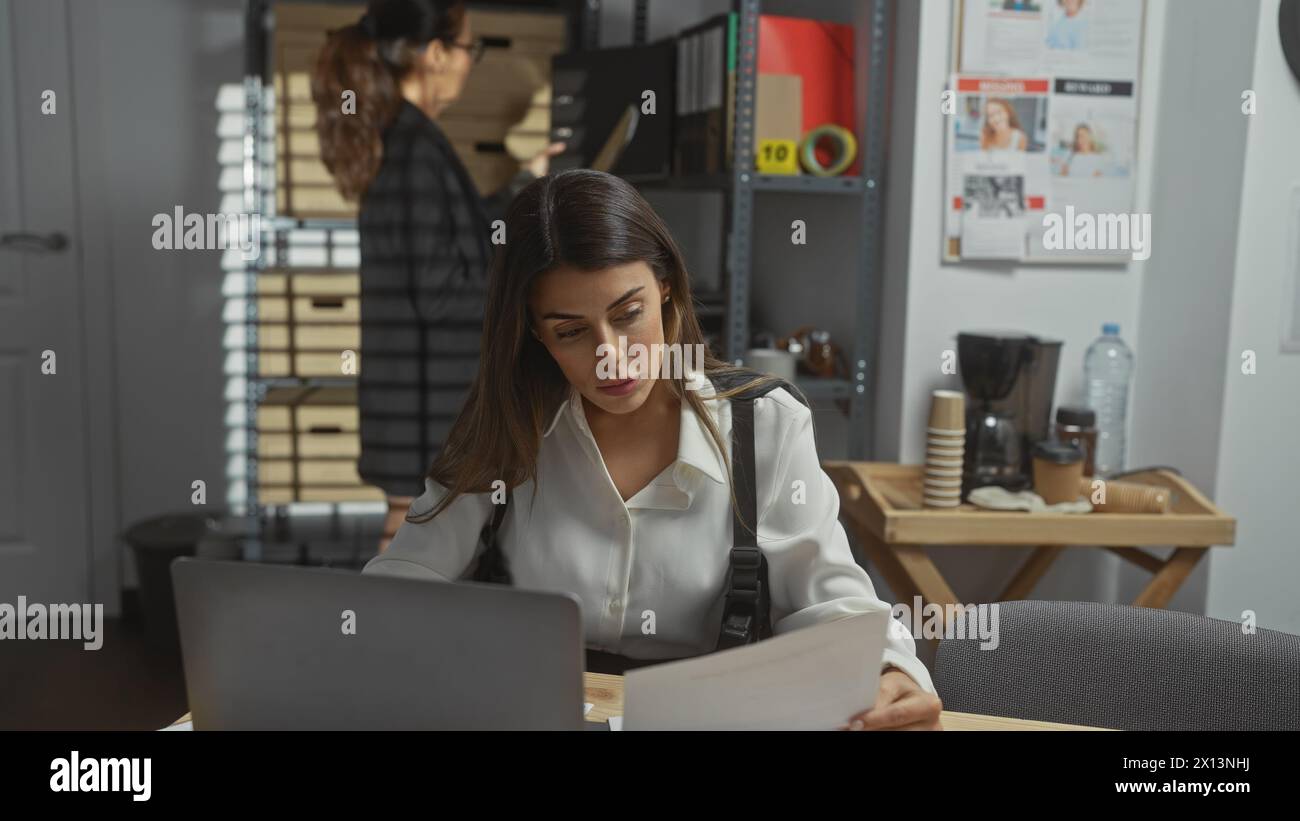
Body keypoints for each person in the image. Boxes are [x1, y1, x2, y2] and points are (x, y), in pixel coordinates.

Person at [364, 169, 943, 730]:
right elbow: (403, 583)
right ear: (535, 332)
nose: (611, 356)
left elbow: (835, 605)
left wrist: (888, 669)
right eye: (571, 331)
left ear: (665, 286)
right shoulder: (505, 426)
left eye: (628, 314)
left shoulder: (765, 425)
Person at [311, 0, 563, 551]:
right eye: (468, 49)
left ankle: (392, 633)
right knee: (413, 542)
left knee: (420, 543)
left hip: (416, 400)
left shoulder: (408, 140)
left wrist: (525, 182)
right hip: (423, 403)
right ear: (434, 55)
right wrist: (525, 296)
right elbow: (440, 290)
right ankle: (384, 635)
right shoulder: (413, 148)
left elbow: (456, 241)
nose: (470, 62)